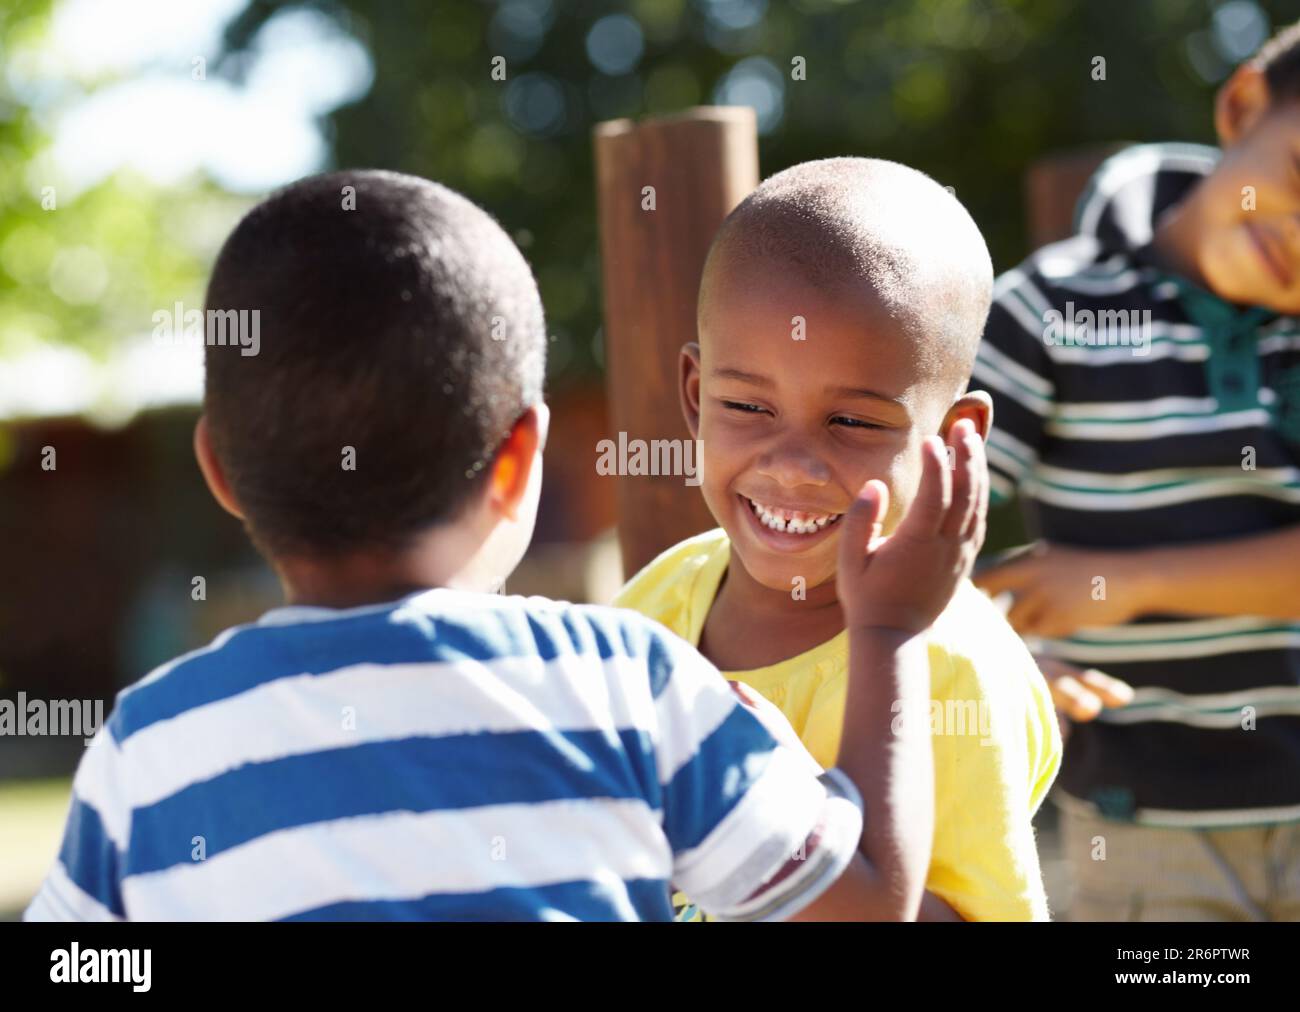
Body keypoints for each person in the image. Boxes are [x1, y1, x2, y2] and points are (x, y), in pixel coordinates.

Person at [25, 169, 985, 922]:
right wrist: (891, 630)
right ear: (521, 457)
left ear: (219, 470)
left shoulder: (147, 748)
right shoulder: (629, 685)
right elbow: (866, 912)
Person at [616, 158, 1061, 921]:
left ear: (957, 440)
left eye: (853, 422)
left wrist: (776, 842)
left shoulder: (954, 668)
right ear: (695, 398)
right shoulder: (658, 600)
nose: (790, 465)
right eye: (747, 406)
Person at [972, 22, 1300, 920]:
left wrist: (1126, 583)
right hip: (1144, 822)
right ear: (1243, 106)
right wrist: (998, 651)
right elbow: (923, 509)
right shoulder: (1047, 314)